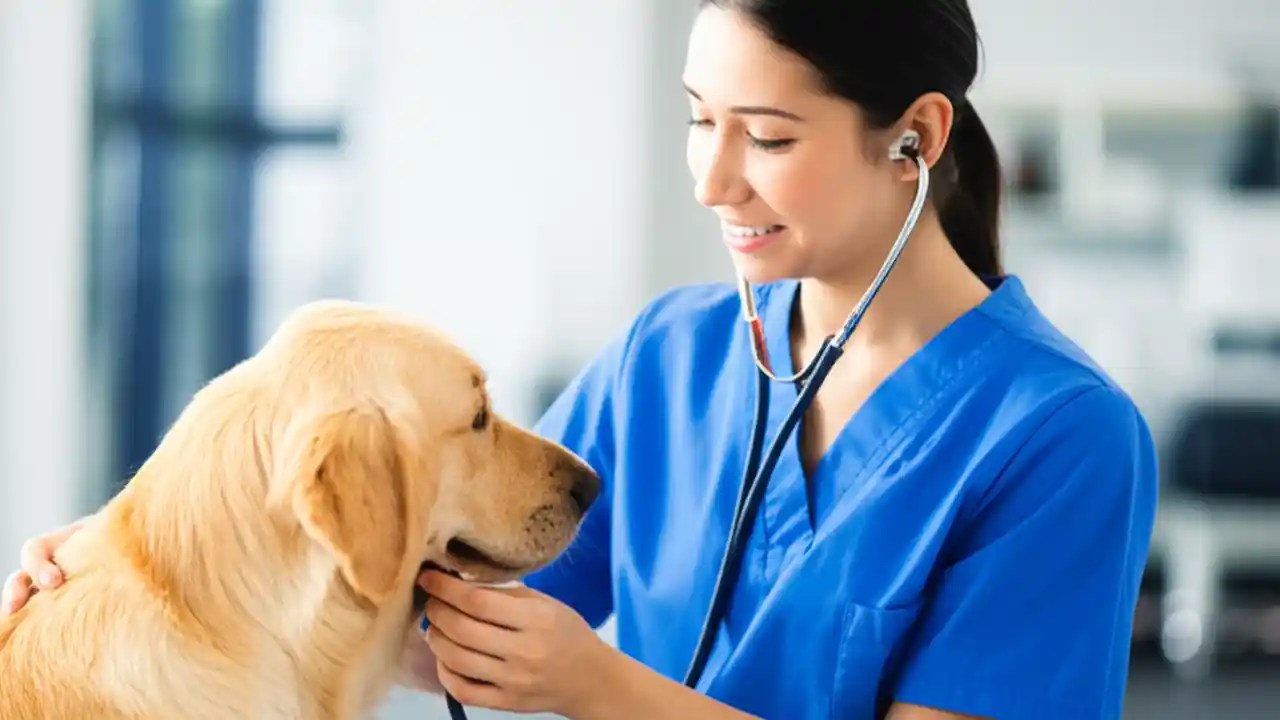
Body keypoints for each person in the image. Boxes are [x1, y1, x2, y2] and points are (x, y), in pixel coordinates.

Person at [3, 1, 1159, 718]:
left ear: (915, 136)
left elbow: (559, 664)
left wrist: (599, 689)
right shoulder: (670, 357)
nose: (710, 180)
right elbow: (420, 619)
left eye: (766, 137)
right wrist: (126, 574)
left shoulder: (1057, 438)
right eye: (699, 118)